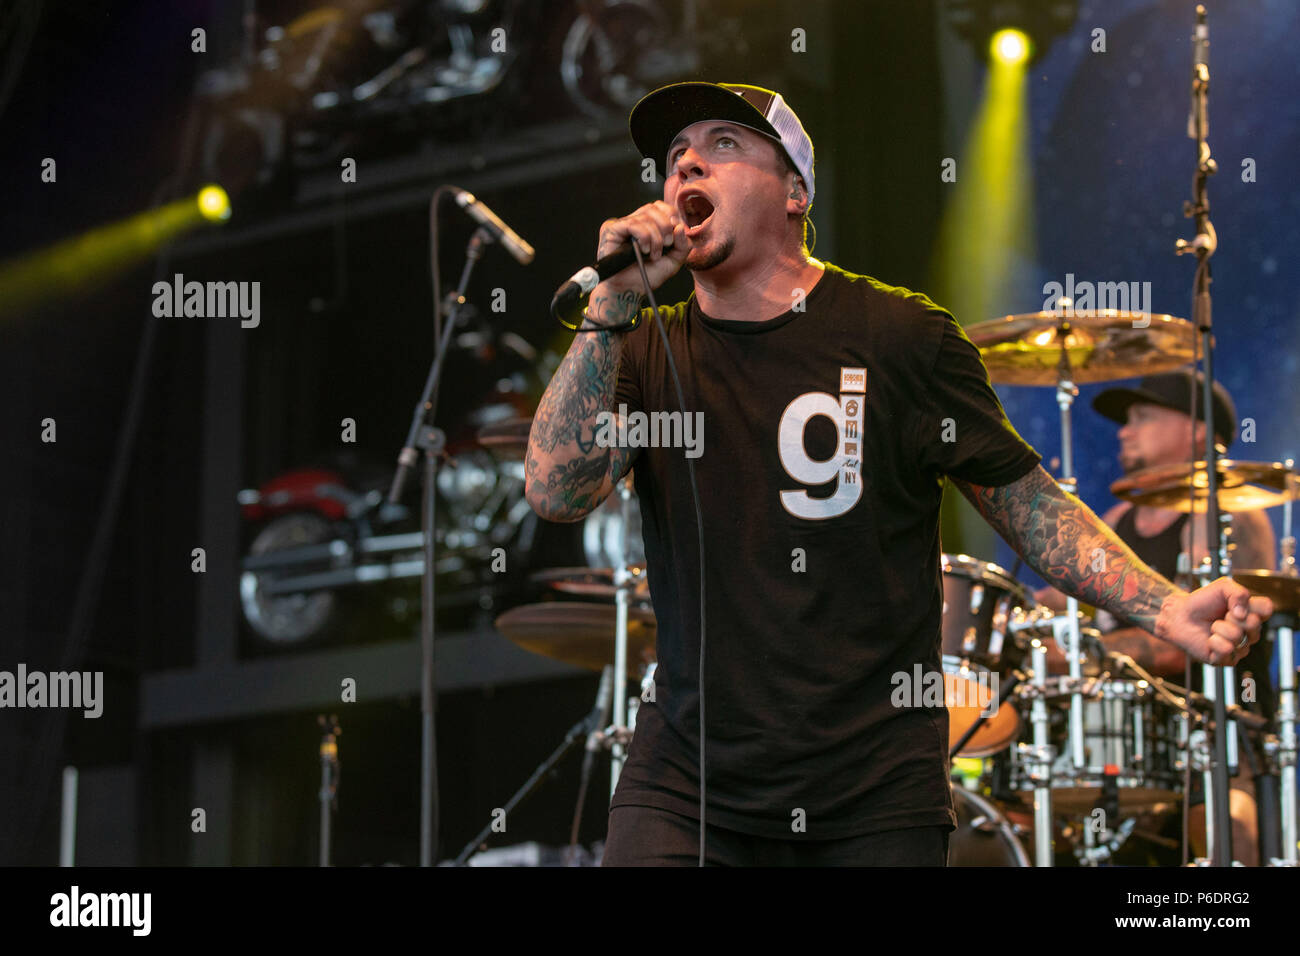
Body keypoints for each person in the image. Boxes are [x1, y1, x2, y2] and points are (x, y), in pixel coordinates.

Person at [523, 81, 1272, 866]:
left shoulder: (898, 335)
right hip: (687, 783)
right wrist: (612, 301)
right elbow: (555, 490)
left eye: (722, 146)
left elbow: (1026, 504)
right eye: (674, 160)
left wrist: (1166, 608)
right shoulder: (645, 348)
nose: (686, 170)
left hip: (870, 792)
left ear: (795, 191)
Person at [1034, 371, 1276, 864]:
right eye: (1126, 420)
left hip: (1216, 737)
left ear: (1198, 432)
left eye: (1143, 417)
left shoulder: (1228, 513)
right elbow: (1054, 601)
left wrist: (1088, 656)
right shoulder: (1119, 520)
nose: (1126, 429)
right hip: (1122, 739)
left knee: (1228, 825)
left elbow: (1187, 643)